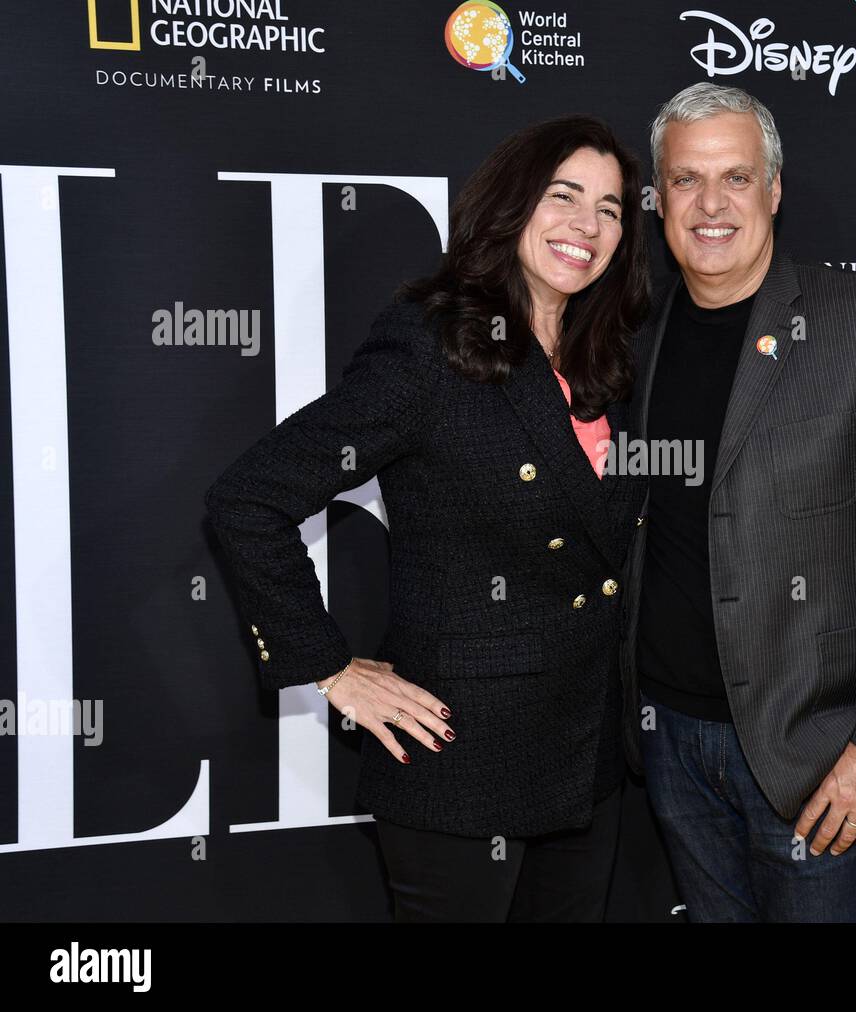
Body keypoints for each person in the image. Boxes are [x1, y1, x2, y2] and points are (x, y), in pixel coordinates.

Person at [204, 115, 650, 922]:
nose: (588, 225)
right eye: (565, 195)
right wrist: (331, 667)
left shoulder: (606, 362)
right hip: (459, 764)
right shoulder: (432, 348)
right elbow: (250, 500)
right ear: (512, 205)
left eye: (613, 208)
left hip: (589, 760)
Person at [618, 83, 856, 922]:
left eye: (736, 178)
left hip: (818, 756)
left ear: (774, 191)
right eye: (686, 180)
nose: (711, 205)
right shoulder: (635, 340)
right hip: (670, 743)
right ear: (658, 197)